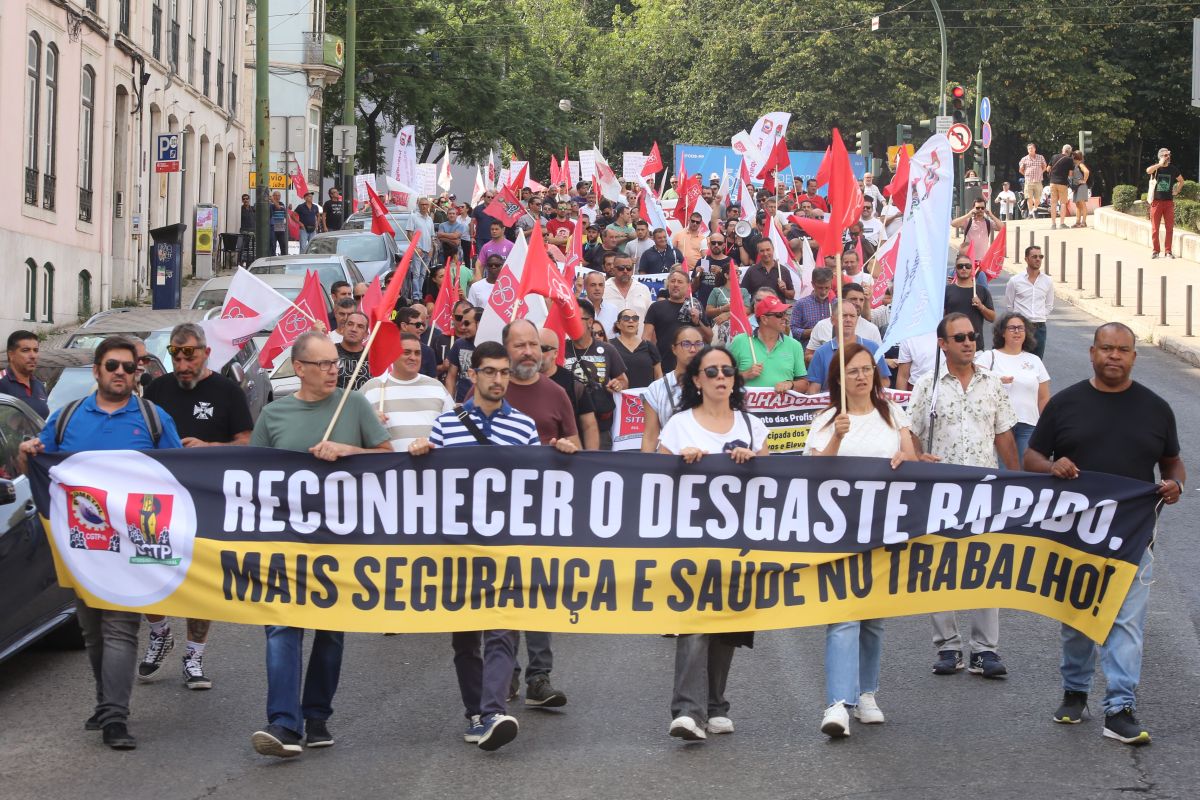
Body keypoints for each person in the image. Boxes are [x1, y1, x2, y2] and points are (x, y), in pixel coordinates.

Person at [1024, 322, 1185, 745]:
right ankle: (1075, 692)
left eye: (1123, 350)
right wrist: (1051, 467)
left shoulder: (1156, 408)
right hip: (1076, 537)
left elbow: (1172, 462)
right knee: (1077, 620)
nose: (1114, 356)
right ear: (1092, 352)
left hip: (1133, 538)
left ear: (1134, 356)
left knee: (1126, 623)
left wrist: (1176, 486)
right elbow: (1031, 456)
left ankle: (1120, 706)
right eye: (1107, 348)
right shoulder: (1065, 404)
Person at [19, 336, 183, 750]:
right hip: (83, 544)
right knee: (92, 631)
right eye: (113, 366)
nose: (121, 374)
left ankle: (115, 717)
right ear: (97, 371)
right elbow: (37, 465)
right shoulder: (67, 416)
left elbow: (180, 476)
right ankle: (104, 700)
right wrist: (25, 454)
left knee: (120, 628)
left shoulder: (153, 418)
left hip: (131, 545)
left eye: (130, 368)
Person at [408, 341, 566, 751]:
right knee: (465, 639)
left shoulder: (524, 427)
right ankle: (475, 713)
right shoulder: (446, 424)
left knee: (502, 629)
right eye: (490, 372)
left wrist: (560, 455)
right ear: (473, 375)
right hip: (458, 548)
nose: (498, 379)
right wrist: (421, 454)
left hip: (505, 546)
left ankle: (494, 711)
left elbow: (538, 484)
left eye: (503, 372)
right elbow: (430, 485)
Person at [248, 331, 391, 758]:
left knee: (330, 632)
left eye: (335, 363)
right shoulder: (274, 415)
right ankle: (284, 724)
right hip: (286, 541)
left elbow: (387, 458)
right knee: (281, 626)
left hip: (340, 540)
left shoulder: (355, 405)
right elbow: (251, 475)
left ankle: (317, 716)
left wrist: (348, 450)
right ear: (300, 368)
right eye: (324, 364)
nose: (334, 370)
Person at [805, 343, 916, 737]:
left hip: (884, 530)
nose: (862, 376)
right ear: (839, 378)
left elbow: (912, 459)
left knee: (873, 620)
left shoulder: (892, 413)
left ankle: (866, 693)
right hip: (839, 533)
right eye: (853, 371)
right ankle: (837, 703)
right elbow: (813, 474)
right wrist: (835, 438)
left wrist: (906, 458)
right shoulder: (826, 420)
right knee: (843, 615)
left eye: (867, 369)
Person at [658, 345, 768, 741]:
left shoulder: (753, 426)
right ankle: (687, 710)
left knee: (727, 624)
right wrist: (679, 462)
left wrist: (753, 459)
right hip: (690, 540)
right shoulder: (679, 426)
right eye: (712, 371)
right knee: (694, 621)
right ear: (697, 381)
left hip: (738, 541)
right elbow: (654, 483)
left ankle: (716, 705)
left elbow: (768, 485)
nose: (721, 377)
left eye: (727, 371)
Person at [139, 323, 253, 690]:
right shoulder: (156, 389)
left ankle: (194, 657)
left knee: (199, 579)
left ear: (205, 353)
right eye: (175, 355)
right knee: (147, 569)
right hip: (156, 498)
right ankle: (159, 634)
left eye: (190, 355)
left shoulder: (227, 391)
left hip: (206, 500)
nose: (183, 364)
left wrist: (208, 449)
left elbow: (247, 443)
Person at [908, 312, 1019, 679]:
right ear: (943, 344)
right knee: (940, 569)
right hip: (939, 493)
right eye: (959, 338)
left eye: (972, 336)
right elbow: (911, 433)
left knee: (985, 568)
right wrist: (917, 460)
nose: (969, 342)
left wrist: (1015, 481)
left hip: (984, 492)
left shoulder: (991, 384)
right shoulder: (928, 386)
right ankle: (948, 647)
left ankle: (985, 651)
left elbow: (1004, 434)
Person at [499, 319, 578, 705]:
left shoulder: (557, 392)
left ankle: (539, 677)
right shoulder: (490, 392)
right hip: (498, 514)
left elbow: (575, 440)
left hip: (544, 510)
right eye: (520, 345)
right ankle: (505, 672)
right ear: (506, 350)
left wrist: (566, 447)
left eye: (535, 345)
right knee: (504, 594)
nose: (529, 352)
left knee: (539, 593)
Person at [359, 332, 454, 450]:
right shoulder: (372, 387)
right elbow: (351, 430)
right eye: (407, 352)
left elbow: (452, 428)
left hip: (432, 466)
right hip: (390, 466)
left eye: (417, 353)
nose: (413, 357)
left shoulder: (437, 387)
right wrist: (367, 422)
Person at [977, 313, 1049, 463]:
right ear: (1002, 332)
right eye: (1012, 328)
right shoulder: (989, 357)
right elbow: (973, 383)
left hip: (1029, 424)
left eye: (1021, 328)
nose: (1017, 331)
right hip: (998, 426)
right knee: (1002, 472)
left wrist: (1046, 426)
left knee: (1026, 471)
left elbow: (1043, 398)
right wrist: (995, 380)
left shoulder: (1034, 360)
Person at [641, 326, 704, 452]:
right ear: (674, 349)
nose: (693, 349)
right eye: (686, 344)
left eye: (698, 344)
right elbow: (650, 436)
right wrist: (646, 467)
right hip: (670, 461)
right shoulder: (656, 389)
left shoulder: (713, 383)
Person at [727, 295, 807, 393]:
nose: (785, 318)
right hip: (747, 407)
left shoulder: (795, 345)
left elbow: (804, 384)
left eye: (785, 313)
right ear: (764, 319)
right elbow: (724, 378)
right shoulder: (740, 341)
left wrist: (790, 384)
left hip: (782, 407)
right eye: (779, 314)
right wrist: (745, 375)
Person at [805, 302, 891, 390]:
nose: (848, 319)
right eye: (844, 315)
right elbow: (813, 389)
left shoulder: (873, 348)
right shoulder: (821, 353)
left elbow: (884, 381)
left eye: (852, 316)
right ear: (833, 320)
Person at [539, 328, 599, 450]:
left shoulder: (574, 383)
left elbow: (589, 426)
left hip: (566, 459)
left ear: (556, 353)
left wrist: (591, 462)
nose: (537, 353)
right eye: (534, 347)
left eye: (543, 349)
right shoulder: (521, 380)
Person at [644, 269, 713, 372]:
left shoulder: (695, 306)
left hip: (692, 367)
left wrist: (697, 322)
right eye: (672, 281)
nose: (675, 285)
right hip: (664, 367)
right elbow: (646, 338)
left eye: (680, 282)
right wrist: (654, 364)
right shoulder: (656, 307)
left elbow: (709, 338)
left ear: (688, 286)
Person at [1004, 245, 1055, 359]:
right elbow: (1009, 305)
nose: (1038, 259)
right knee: (1018, 359)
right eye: (1034, 256)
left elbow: (1049, 305)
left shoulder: (1048, 281)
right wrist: (1019, 320)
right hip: (1021, 327)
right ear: (1026, 259)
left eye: (1040, 256)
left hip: (1039, 328)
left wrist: (1040, 315)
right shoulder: (1015, 281)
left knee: (1036, 362)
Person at [944, 255, 996, 342]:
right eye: (960, 266)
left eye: (967, 266)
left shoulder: (982, 291)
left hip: (976, 344)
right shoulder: (947, 290)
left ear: (972, 269)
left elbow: (992, 318)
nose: (964, 269)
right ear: (955, 269)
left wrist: (981, 307)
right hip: (953, 344)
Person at [1, 330, 49, 418]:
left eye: (35, 350)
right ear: (11, 355)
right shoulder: (2, 382)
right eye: (25, 350)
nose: (33, 356)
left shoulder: (39, 385)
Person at [609, 308, 661, 389]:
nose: (631, 321)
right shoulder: (609, 346)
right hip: (619, 397)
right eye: (626, 318)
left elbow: (658, 375)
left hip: (646, 398)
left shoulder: (649, 346)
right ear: (618, 324)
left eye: (635, 318)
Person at [1146, 147, 1183, 258]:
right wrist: (1159, 164)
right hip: (1156, 202)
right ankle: (1156, 251)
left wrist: (1177, 190)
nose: (1168, 157)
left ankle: (1168, 251)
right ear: (1160, 156)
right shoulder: (1156, 168)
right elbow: (1148, 171)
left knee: (1169, 228)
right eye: (1165, 155)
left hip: (1168, 203)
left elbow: (1181, 180)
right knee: (1155, 228)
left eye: (1168, 155)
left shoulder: (1173, 169)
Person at [951, 198, 1000, 272]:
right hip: (967, 261)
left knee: (981, 283)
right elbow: (953, 223)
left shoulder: (988, 223)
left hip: (982, 262)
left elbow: (1002, 228)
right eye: (977, 208)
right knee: (964, 282)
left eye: (982, 208)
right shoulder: (968, 221)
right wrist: (968, 215)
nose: (980, 210)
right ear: (973, 208)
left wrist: (991, 215)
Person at [444, 306, 481, 402]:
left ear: (479, 323)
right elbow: (451, 377)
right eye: (462, 323)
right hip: (462, 405)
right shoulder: (459, 344)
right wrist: (450, 404)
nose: (463, 327)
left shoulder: (494, 345)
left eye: (467, 323)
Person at [790, 267, 835, 345]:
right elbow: (792, 330)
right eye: (820, 288)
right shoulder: (801, 304)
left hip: (833, 352)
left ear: (831, 284)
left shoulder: (837, 303)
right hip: (809, 352)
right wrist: (814, 331)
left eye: (827, 288)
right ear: (813, 284)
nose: (824, 292)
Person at [396, 305, 439, 378]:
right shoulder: (385, 348)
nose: (422, 328)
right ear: (404, 326)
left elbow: (433, 382)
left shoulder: (428, 352)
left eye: (417, 353)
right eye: (418, 325)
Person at [335, 311, 371, 390]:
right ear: (343, 328)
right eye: (350, 324)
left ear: (366, 334)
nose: (354, 329)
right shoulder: (330, 352)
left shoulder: (373, 357)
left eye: (360, 326)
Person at [1047, 145, 1075, 229]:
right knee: (1063, 203)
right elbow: (1070, 174)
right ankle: (1062, 223)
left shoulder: (1054, 156)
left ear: (1062, 150)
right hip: (1062, 183)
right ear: (1069, 152)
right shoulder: (1070, 160)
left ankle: (1053, 224)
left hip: (1052, 183)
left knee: (1053, 203)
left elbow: (1048, 169)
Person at [1018, 143, 1048, 219]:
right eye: (1029, 149)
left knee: (1038, 198)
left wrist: (1040, 172)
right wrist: (1026, 174)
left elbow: (1045, 167)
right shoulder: (1024, 159)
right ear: (1027, 150)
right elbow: (1021, 170)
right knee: (1029, 197)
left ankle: (1035, 208)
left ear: (1035, 149)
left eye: (1031, 148)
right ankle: (1030, 212)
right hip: (1028, 181)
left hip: (1038, 180)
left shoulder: (1040, 157)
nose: (1030, 150)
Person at [1070, 151, 1091, 228]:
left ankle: (1084, 222)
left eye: (1073, 155)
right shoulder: (1075, 165)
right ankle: (1078, 222)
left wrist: (1084, 181)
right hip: (1076, 187)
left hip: (1081, 186)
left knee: (1082, 204)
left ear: (1075, 156)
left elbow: (1086, 172)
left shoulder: (1080, 164)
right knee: (1078, 205)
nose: (1072, 157)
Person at [269, 191, 288, 255]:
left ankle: (283, 259)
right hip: (273, 228)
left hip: (281, 229)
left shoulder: (281, 204)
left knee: (283, 245)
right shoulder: (270, 205)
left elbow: (278, 207)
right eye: (276, 195)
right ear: (273, 196)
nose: (277, 197)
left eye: (278, 195)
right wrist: (271, 201)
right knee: (272, 246)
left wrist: (272, 200)